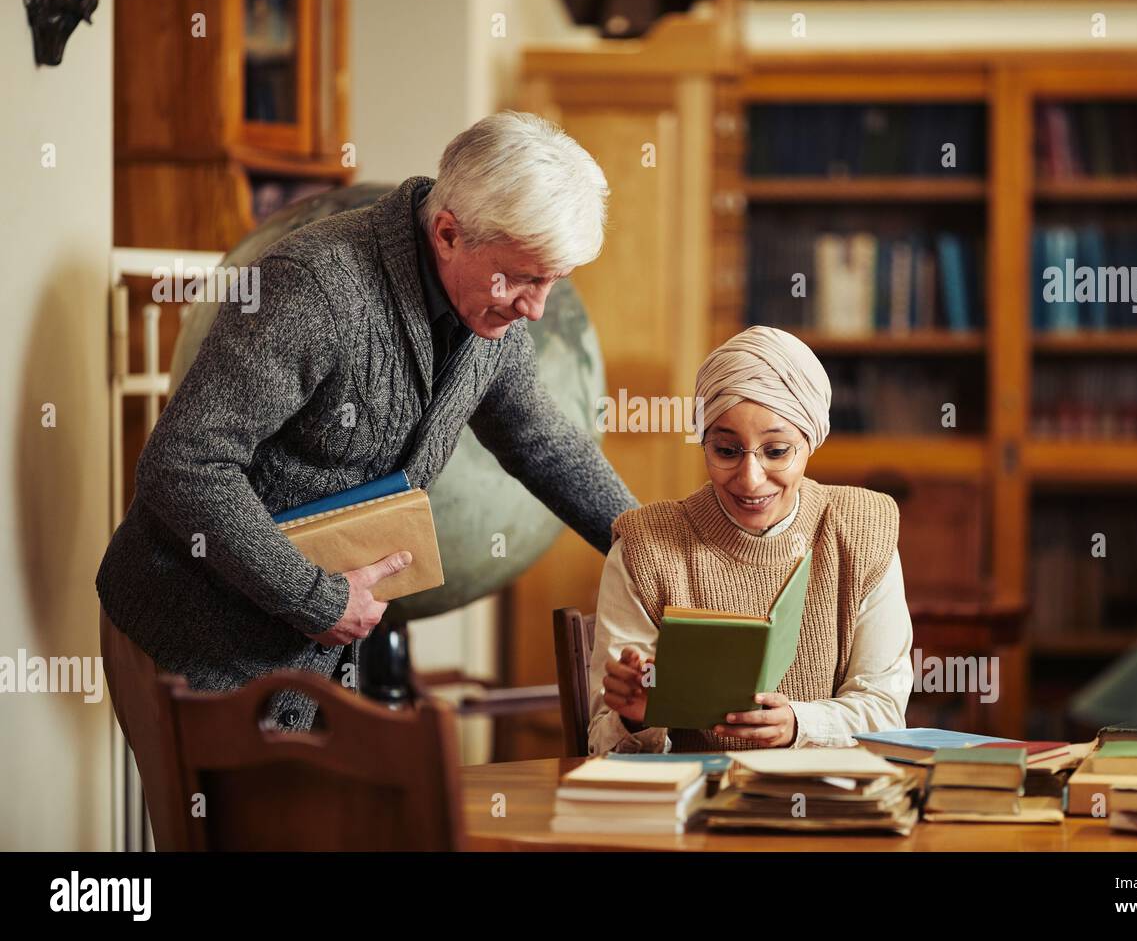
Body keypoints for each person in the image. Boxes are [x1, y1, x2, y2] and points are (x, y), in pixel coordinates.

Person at [96, 110, 637, 776]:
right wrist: (315, 597)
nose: (536, 308)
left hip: (309, 651)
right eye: (525, 278)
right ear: (448, 233)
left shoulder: (490, 307)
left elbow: (544, 444)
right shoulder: (311, 285)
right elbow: (185, 464)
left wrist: (651, 550)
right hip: (191, 639)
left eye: (551, 281)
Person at [588, 326, 912, 753]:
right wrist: (636, 719)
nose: (750, 478)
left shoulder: (863, 528)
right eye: (726, 451)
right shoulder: (644, 547)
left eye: (776, 451)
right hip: (694, 808)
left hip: (823, 808)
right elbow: (601, 746)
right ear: (704, 444)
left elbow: (885, 714)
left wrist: (798, 724)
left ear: (810, 442)